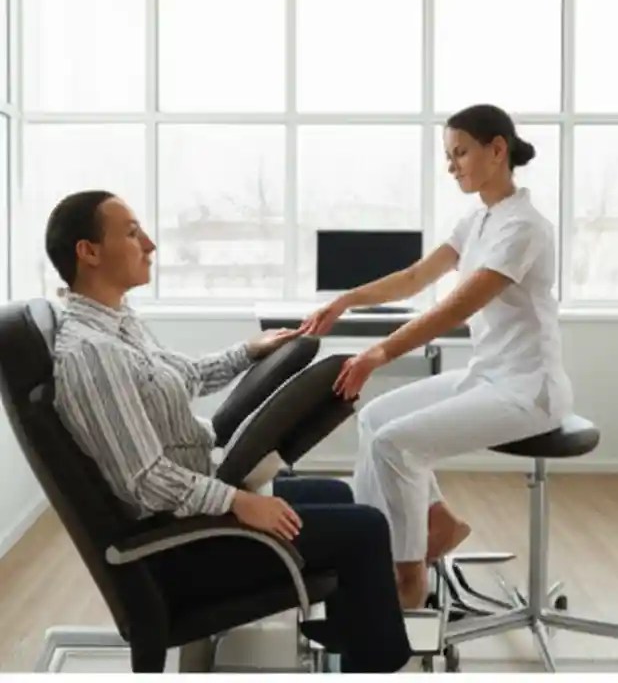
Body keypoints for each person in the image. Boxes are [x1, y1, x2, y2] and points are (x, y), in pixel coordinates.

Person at [45, 190, 413, 673]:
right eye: (133, 233)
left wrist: (249, 352)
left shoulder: (119, 326)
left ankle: (355, 637)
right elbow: (145, 478)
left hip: (192, 512)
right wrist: (240, 503)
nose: (151, 244)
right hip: (180, 543)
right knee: (366, 529)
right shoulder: (92, 354)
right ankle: (380, 660)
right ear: (88, 252)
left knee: (338, 498)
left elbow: (188, 376)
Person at [299, 103, 570, 609]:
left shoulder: (524, 227)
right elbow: (415, 278)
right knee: (375, 418)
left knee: (397, 446)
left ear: (497, 149)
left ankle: (408, 577)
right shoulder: (479, 218)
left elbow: (456, 306)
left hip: (528, 390)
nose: (452, 166)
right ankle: (427, 525)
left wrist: (378, 353)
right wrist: (345, 299)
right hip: (487, 375)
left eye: (460, 152)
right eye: (448, 156)